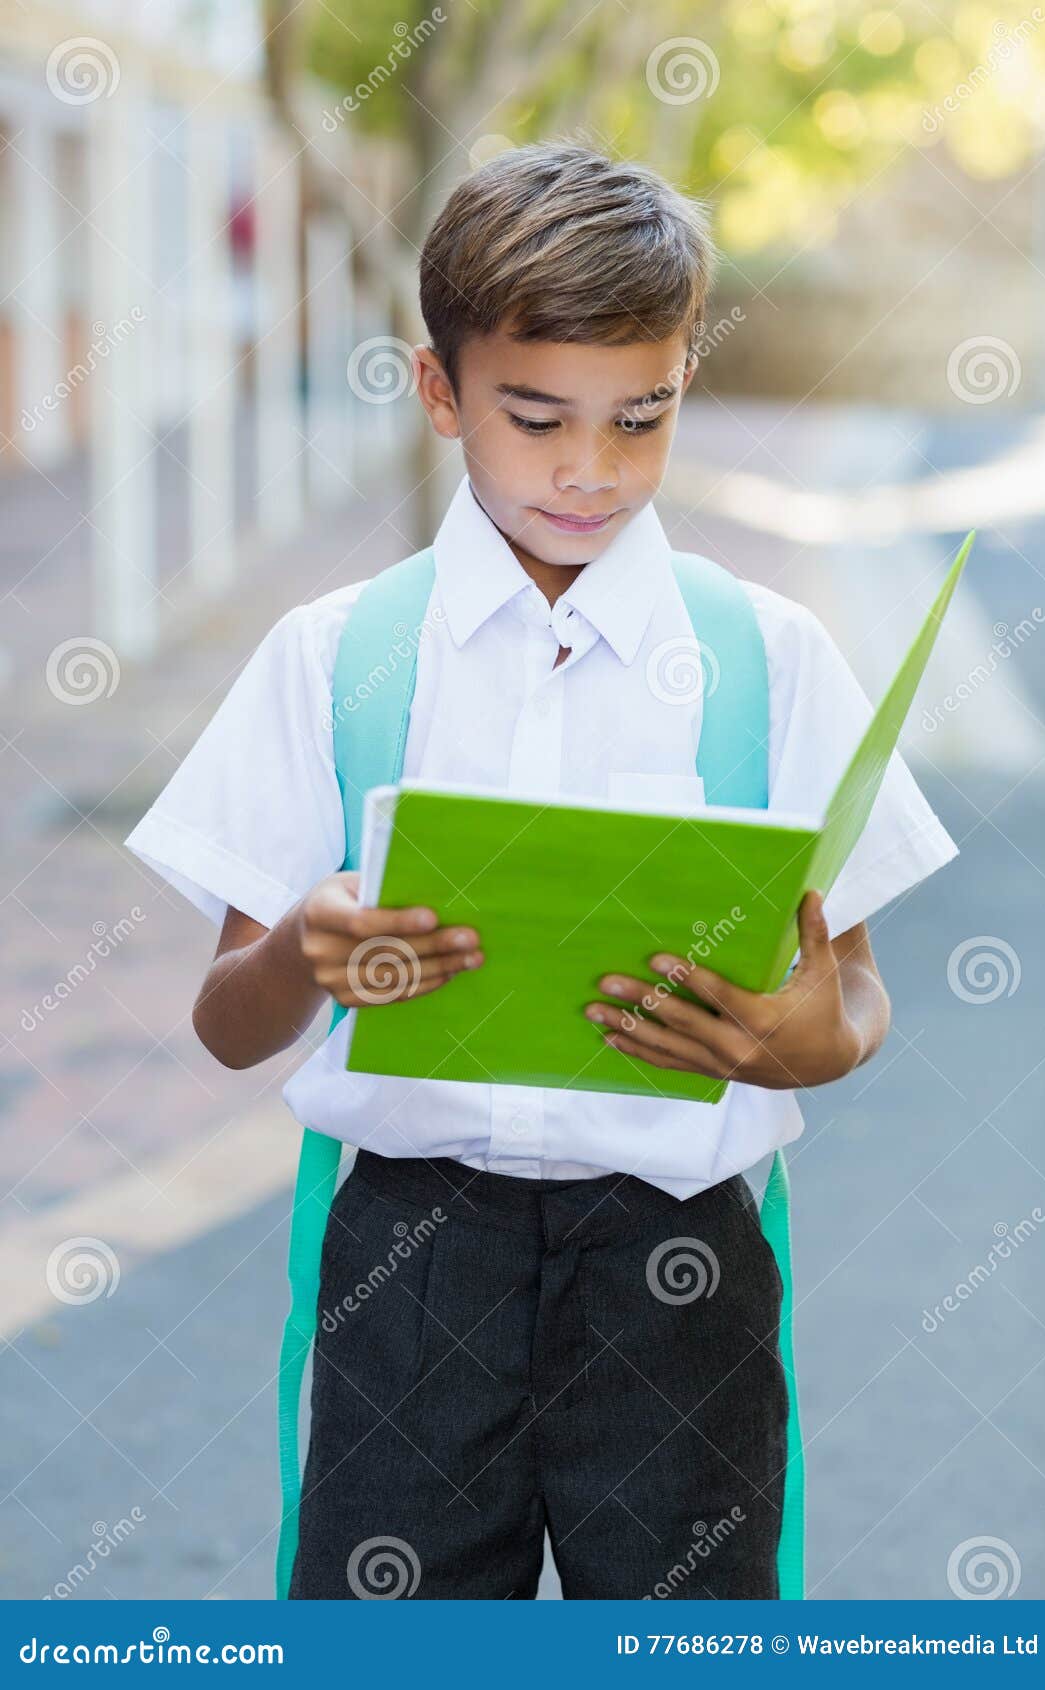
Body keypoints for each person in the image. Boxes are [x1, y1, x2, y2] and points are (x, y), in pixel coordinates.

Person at [124, 141, 959, 1600]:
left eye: (642, 419)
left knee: (688, 1635)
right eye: (537, 417)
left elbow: (859, 998)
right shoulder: (336, 658)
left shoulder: (769, 660)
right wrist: (300, 957)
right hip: (411, 1260)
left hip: (677, 1270)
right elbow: (224, 1021)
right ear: (442, 392)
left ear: (687, 378)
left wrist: (806, 1038)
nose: (591, 470)